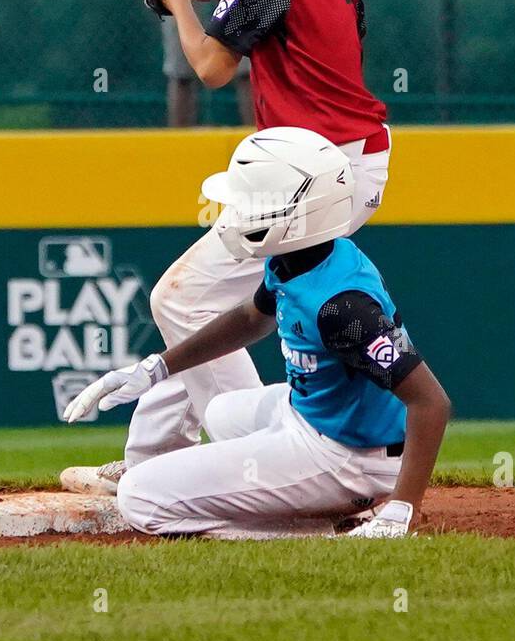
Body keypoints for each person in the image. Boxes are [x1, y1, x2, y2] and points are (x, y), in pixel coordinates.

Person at [62, 0, 393, 496]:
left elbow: (213, 67)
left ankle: (267, 450)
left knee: (180, 300)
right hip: (339, 158)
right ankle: (152, 461)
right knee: (200, 301)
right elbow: (292, 13)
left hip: (317, 173)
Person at [64, 128, 451, 539]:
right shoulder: (297, 259)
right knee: (218, 412)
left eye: (250, 204)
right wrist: (158, 367)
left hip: (348, 455)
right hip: (312, 418)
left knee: (139, 497)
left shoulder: (343, 307)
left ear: (295, 211)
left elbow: (431, 402)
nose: (235, 215)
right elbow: (251, 318)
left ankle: (312, 532)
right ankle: (294, 494)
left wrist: (402, 509)